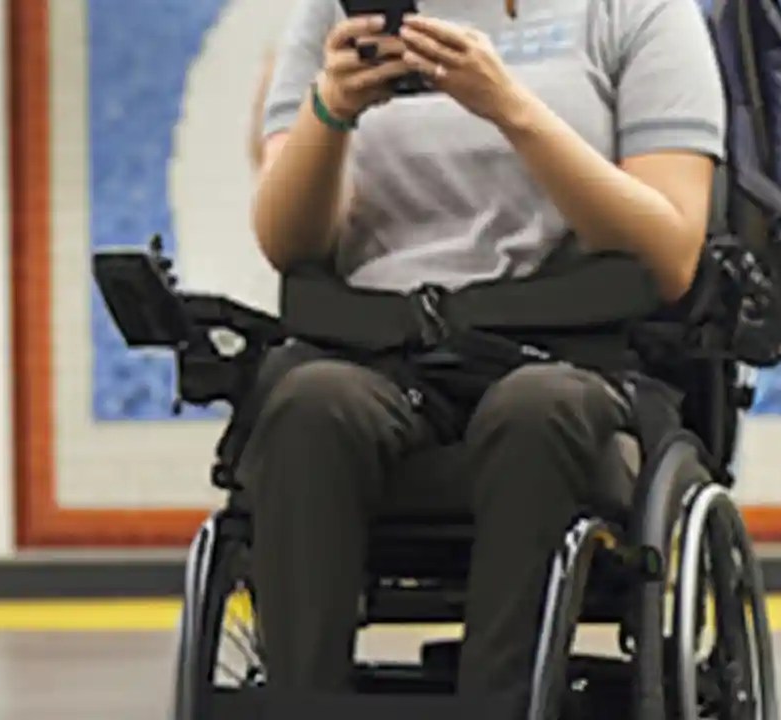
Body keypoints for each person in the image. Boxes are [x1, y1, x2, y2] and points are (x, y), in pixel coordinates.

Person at [243, 0, 725, 709]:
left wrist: (510, 109)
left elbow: (672, 250)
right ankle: (301, 701)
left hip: (568, 357)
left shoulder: (638, 11)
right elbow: (289, 245)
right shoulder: (334, 16)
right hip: (383, 353)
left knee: (537, 408)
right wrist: (331, 108)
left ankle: (501, 702)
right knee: (309, 406)